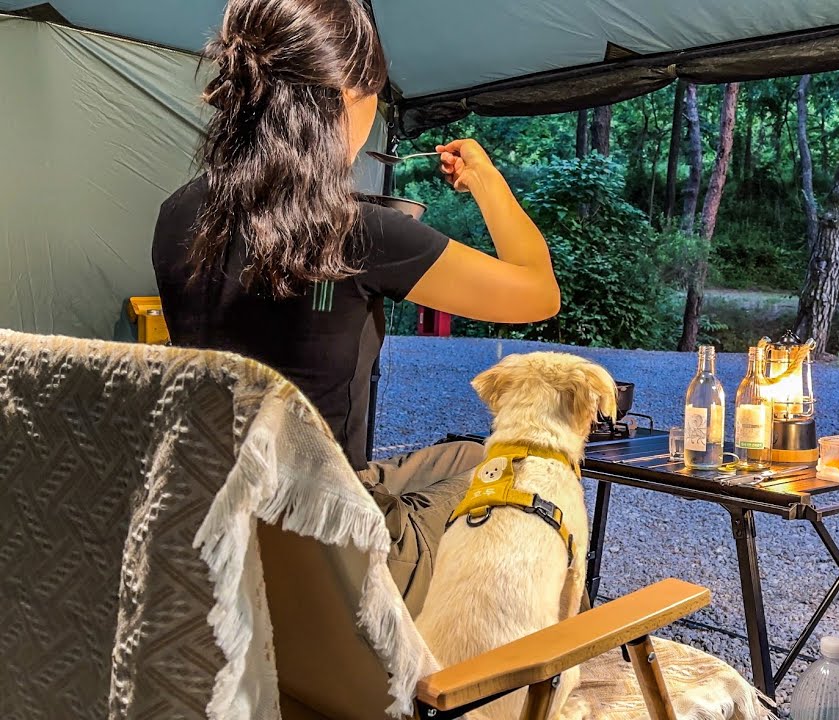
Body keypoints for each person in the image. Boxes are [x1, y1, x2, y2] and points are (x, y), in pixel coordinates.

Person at [152, 0, 559, 615]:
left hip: (214, 519)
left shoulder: (178, 213)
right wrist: (486, 181)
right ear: (348, 97)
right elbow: (538, 294)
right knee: (523, 474)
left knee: (473, 456)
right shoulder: (357, 233)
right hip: (327, 554)